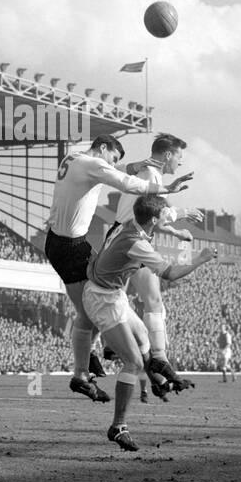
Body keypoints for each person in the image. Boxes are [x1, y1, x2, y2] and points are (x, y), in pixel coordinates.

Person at [39, 135, 192, 403]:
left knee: (96, 300)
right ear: (103, 148)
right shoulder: (92, 165)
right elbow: (124, 181)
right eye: (113, 157)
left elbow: (118, 171)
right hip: (69, 247)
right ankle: (85, 372)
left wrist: (132, 165)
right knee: (92, 307)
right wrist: (167, 189)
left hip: (69, 242)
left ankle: (96, 362)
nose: (113, 164)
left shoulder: (74, 158)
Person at [84, 194, 217, 451]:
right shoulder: (137, 244)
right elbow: (171, 273)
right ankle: (118, 427)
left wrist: (180, 217)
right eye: (163, 216)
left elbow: (163, 215)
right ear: (153, 219)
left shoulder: (131, 223)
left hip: (112, 294)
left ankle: (158, 382)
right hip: (103, 300)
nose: (167, 218)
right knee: (133, 362)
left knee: (145, 337)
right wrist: (200, 258)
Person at [100, 133, 204, 395]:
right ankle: (152, 357)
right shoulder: (149, 175)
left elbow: (152, 217)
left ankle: (142, 356)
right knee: (139, 299)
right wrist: (181, 213)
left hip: (132, 237)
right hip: (127, 238)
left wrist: (176, 231)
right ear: (168, 155)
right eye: (179, 156)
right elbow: (147, 213)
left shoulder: (151, 175)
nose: (179, 163)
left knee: (141, 298)